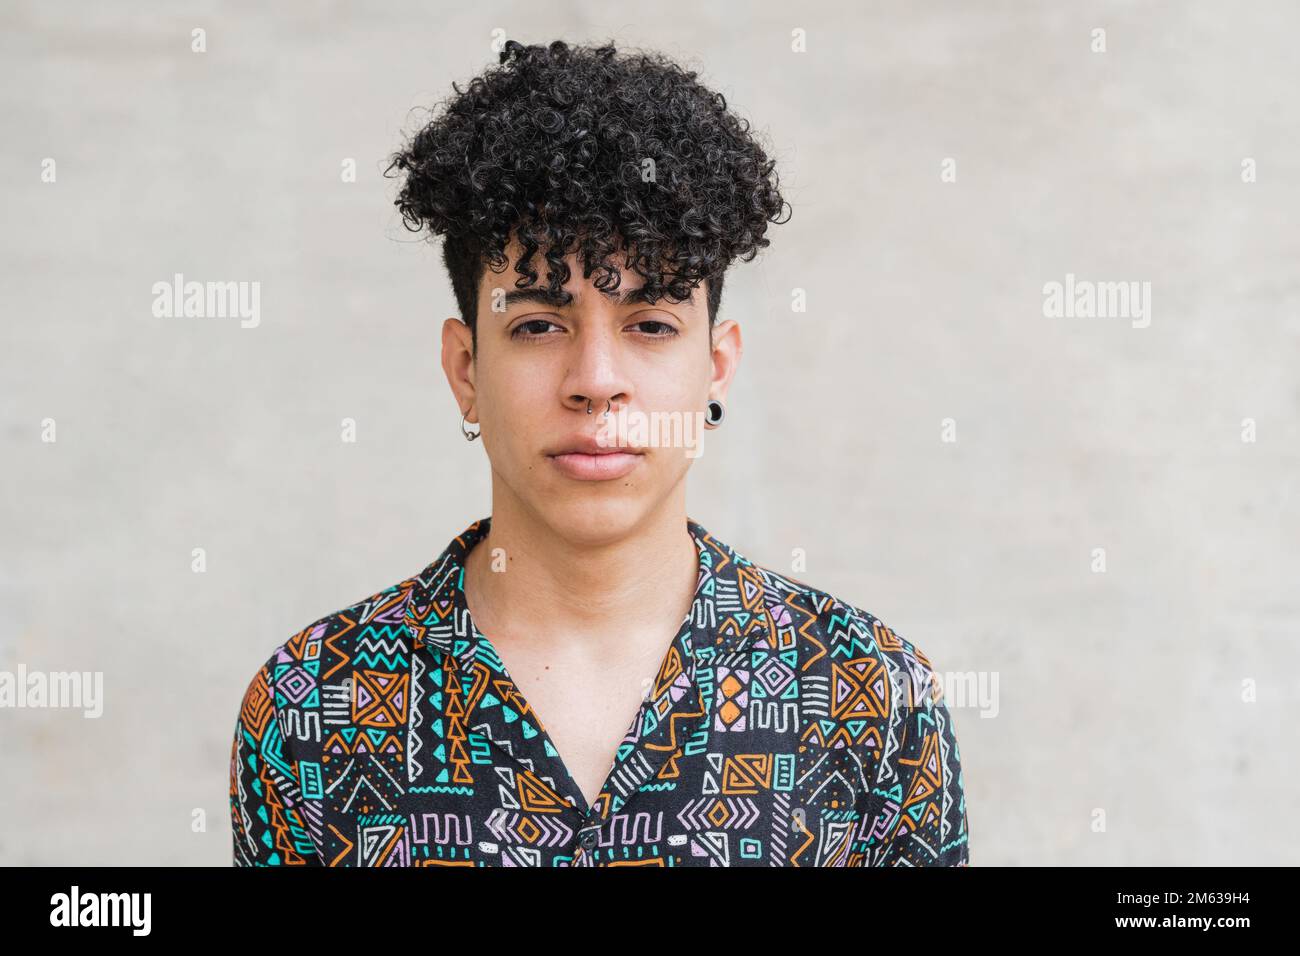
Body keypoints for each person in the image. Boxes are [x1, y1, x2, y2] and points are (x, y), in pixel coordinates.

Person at [229, 38, 969, 867]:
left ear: (714, 367)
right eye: (539, 325)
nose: (596, 381)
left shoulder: (865, 696)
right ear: (466, 368)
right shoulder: (309, 711)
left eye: (649, 325)